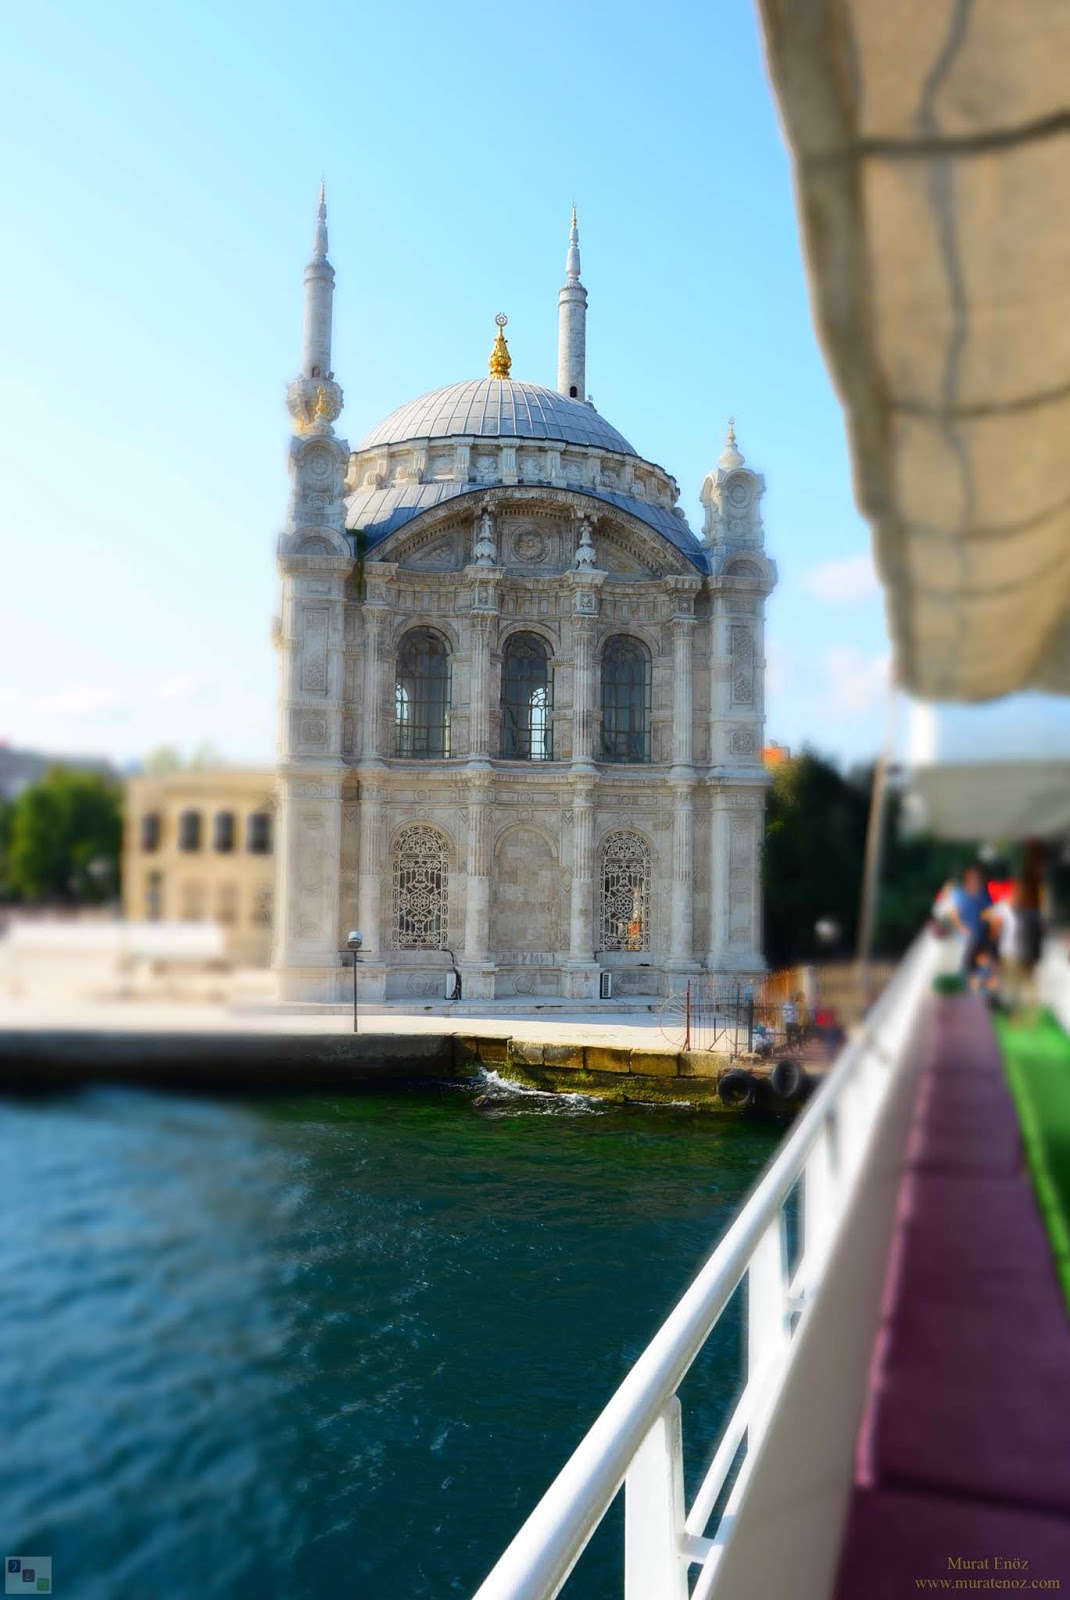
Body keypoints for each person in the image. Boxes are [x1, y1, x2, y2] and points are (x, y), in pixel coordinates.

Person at [945, 864, 994, 990]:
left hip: (982, 932)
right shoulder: (959, 894)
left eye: (978, 878)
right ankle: (966, 974)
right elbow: (954, 916)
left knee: (990, 944)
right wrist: (962, 929)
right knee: (974, 938)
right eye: (973, 877)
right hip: (966, 933)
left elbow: (988, 914)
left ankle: (982, 980)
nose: (976, 880)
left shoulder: (984, 896)